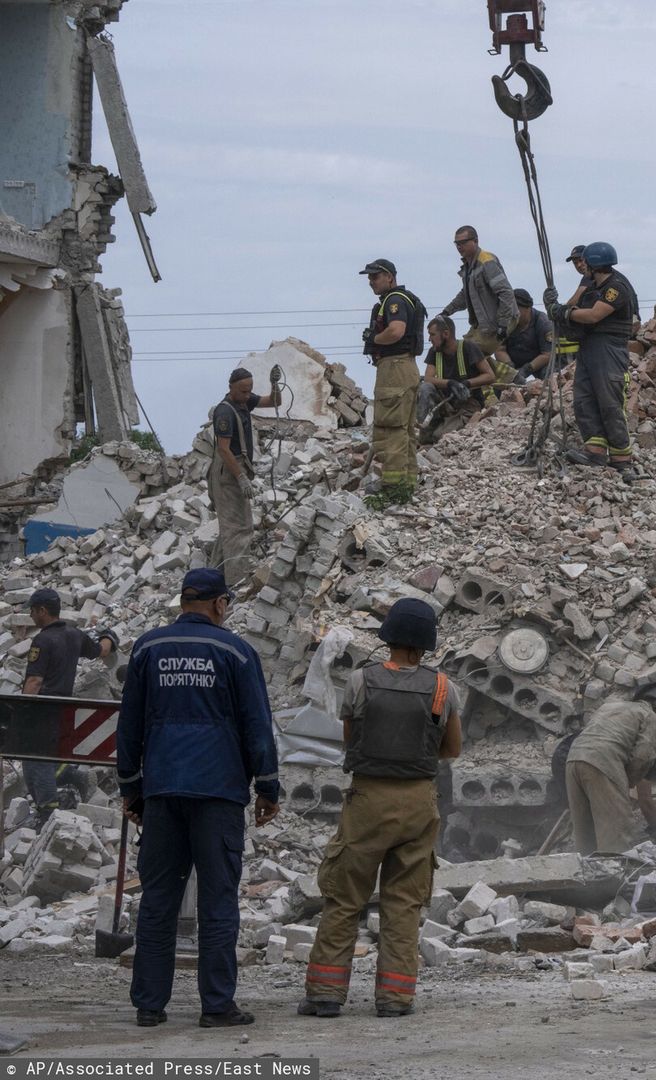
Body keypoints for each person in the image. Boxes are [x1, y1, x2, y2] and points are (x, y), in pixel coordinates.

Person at [116, 568, 280, 1029]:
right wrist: (267, 786)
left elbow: (128, 726)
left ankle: (149, 1005)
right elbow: (257, 727)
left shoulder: (148, 648)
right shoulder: (236, 652)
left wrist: (131, 787)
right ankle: (217, 1006)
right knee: (218, 901)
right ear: (220, 605)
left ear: (184, 601)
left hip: (163, 792)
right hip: (219, 795)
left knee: (159, 898)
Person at [299, 599, 462, 1019]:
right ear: (427, 643)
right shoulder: (444, 688)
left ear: (387, 636)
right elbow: (453, 749)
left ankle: (324, 995)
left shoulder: (360, 681)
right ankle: (394, 998)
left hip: (368, 800)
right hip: (418, 802)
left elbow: (351, 739)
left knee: (344, 897)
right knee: (403, 903)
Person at [20, 588, 115, 825]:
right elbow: (100, 651)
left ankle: (47, 812)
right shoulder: (74, 634)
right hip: (63, 711)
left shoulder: (42, 640)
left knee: (35, 760)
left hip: (41, 711)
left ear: (42, 610)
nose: (31, 615)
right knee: (45, 757)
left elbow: (34, 681)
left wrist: (21, 713)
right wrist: (111, 638)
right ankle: (72, 775)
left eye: (32, 611)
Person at [549, 242, 639, 477]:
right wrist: (556, 309)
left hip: (608, 349)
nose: (582, 266)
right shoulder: (592, 287)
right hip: (589, 348)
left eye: (584, 262)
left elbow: (593, 315)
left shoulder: (615, 287)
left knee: (609, 401)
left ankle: (622, 458)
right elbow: (575, 310)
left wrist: (565, 313)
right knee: (584, 399)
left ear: (594, 264)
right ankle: (595, 451)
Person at [564, 683, 656, 854]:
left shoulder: (610, 707)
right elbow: (643, 756)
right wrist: (626, 783)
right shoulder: (650, 716)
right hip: (603, 761)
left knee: (585, 835)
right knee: (616, 833)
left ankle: (587, 876)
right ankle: (613, 878)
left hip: (573, 760)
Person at [207, 367, 284, 584]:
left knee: (232, 528)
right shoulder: (224, 412)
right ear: (231, 387)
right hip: (227, 472)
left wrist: (274, 384)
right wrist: (240, 477)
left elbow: (274, 402)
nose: (247, 395)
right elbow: (223, 449)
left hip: (237, 468)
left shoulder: (244, 401)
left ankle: (214, 576)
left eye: (250, 391)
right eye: (243, 391)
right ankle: (235, 582)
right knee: (238, 529)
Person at [360, 259, 427, 504]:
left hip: (394, 368)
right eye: (369, 278)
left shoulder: (394, 301)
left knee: (391, 429)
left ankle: (394, 488)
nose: (371, 282)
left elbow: (396, 331)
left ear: (389, 277)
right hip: (407, 367)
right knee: (406, 429)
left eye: (375, 277)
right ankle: (407, 485)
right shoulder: (407, 299)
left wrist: (375, 338)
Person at [438, 226, 517, 367]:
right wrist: (447, 311)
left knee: (465, 352)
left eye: (463, 242)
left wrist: (503, 324)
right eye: (457, 243)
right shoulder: (469, 266)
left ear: (475, 241)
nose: (459, 247)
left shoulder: (486, 261)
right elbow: (465, 294)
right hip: (482, 324)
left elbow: (506, 292)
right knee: (470, 354)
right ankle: (512, 378)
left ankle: (509, 378)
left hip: (498, 321)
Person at [416, 315, 496, 445]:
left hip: (467, 406)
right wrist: (450, 383)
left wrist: (467, 384)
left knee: (439, 437)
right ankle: (426, 431)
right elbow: (428, 379)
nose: (430, 339)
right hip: (446, 405)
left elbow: (490, 376)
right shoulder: (434, 352)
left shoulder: (468, 347)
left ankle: (437, 433)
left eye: (432, 334)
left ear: (446, 334)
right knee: (425, 388)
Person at [506, 288, 558, 384]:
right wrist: (510, 368)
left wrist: (526, 370)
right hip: (513, 363)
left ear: (528, 308)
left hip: (538, 363)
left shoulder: (542, 321)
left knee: (549, 373)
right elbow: (499, 350)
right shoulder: (506, 321)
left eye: (517, 309)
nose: (513, 313)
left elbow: (547, 354)